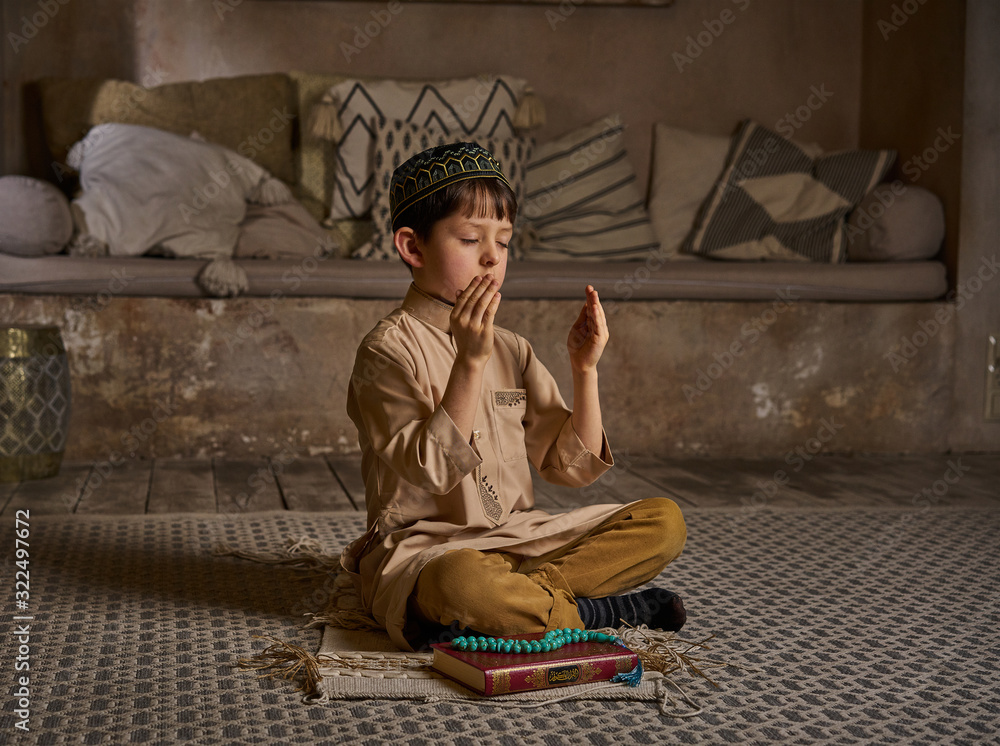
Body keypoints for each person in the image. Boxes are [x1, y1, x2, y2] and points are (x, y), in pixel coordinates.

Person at [341, 142, 688, 651]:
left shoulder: (513, 348)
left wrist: (584, 369)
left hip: (521, 541)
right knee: (459, 584)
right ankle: (600, 611)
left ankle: (520, 608)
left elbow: (571, 469)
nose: (491, 257)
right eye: (469, 238)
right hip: (429, 554)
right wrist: (469, 362)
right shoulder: (386, 352)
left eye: (503, 242)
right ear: (413, 248)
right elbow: (433, 470)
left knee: (664, 522)